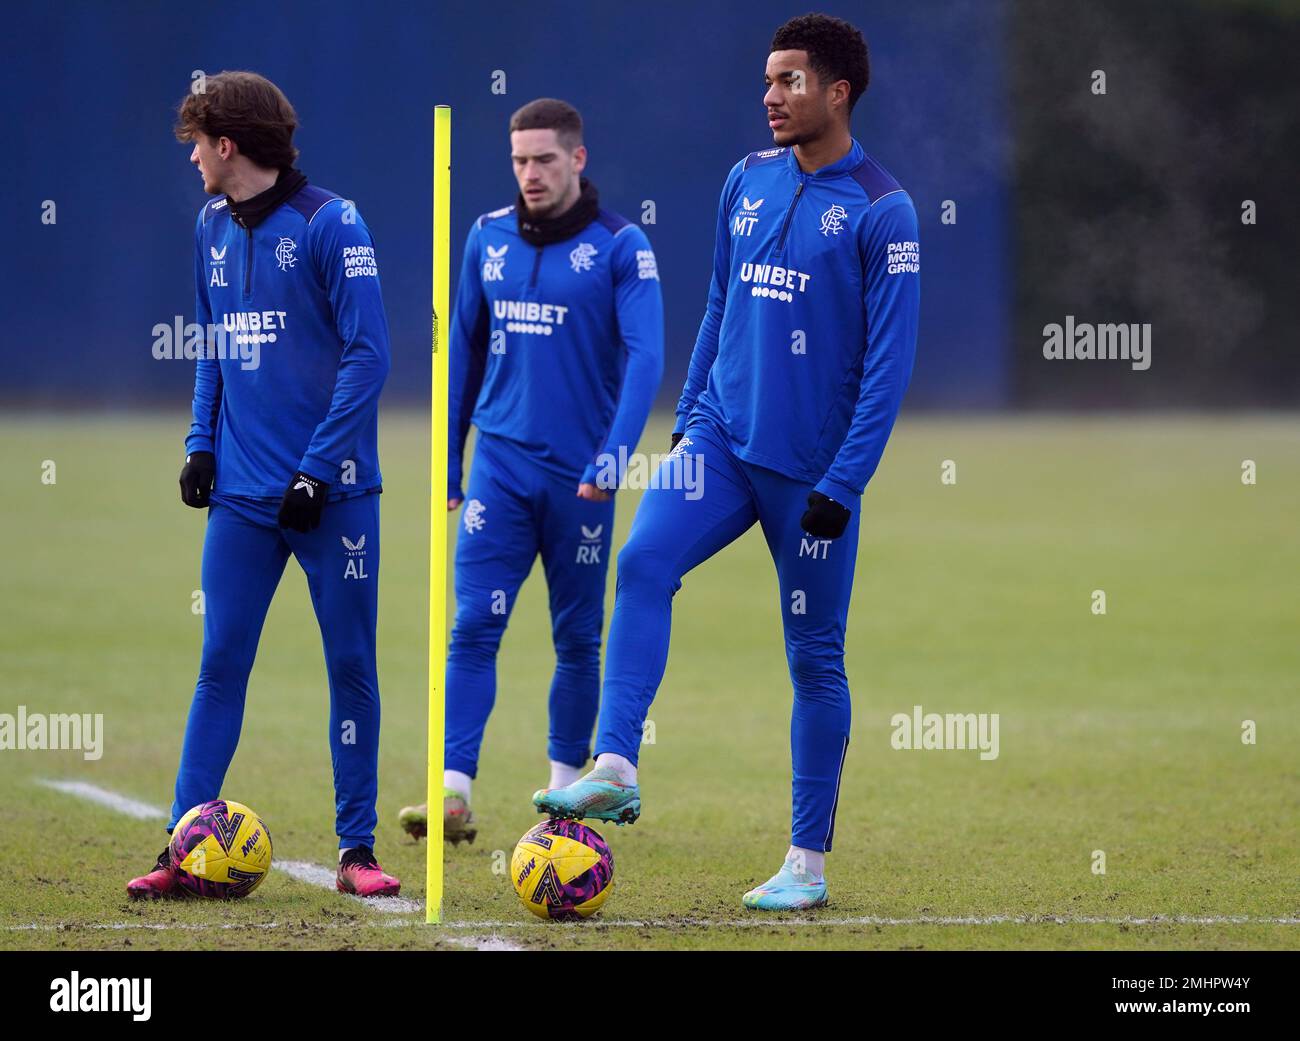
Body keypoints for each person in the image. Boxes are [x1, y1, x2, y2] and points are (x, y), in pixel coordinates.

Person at [533, 13, 920, 911]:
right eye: (767, 79)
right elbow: (717, 303)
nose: (770, 95)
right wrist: (692, 414)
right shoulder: (746, 179)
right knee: (639, 560)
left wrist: (844, 482)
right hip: (719, 445)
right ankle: (618, 762)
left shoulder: (882, 209)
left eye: (789, 80)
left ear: (838, 92)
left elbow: (888, 364)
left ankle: (806, 865)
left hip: (812, 477)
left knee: (815, 658)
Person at [128, 70, 399, 898]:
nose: (192, 163)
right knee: (219, 665)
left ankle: (356, 852)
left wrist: (318, 470)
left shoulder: (332, 223)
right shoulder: (212, 225)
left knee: (350, 666)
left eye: (197, 146)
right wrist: (200, 443)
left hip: (335, 497)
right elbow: (213, 345)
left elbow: (370, 355)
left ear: (228, 145)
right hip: (242, 500)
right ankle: (183, 847)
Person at [397, 98, 663, 844]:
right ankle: (451, 789)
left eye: (544, 159)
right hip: (500, 470)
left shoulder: (621, 247)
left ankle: (560, 798)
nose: (530, 173)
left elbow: (646, 357)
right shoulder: (485, 235)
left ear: (578, 159)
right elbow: (464, 351)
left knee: (577, 638)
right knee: (473, 624)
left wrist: (615, 455)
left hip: (582, 479)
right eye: (518, 160)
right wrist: (452, 458)